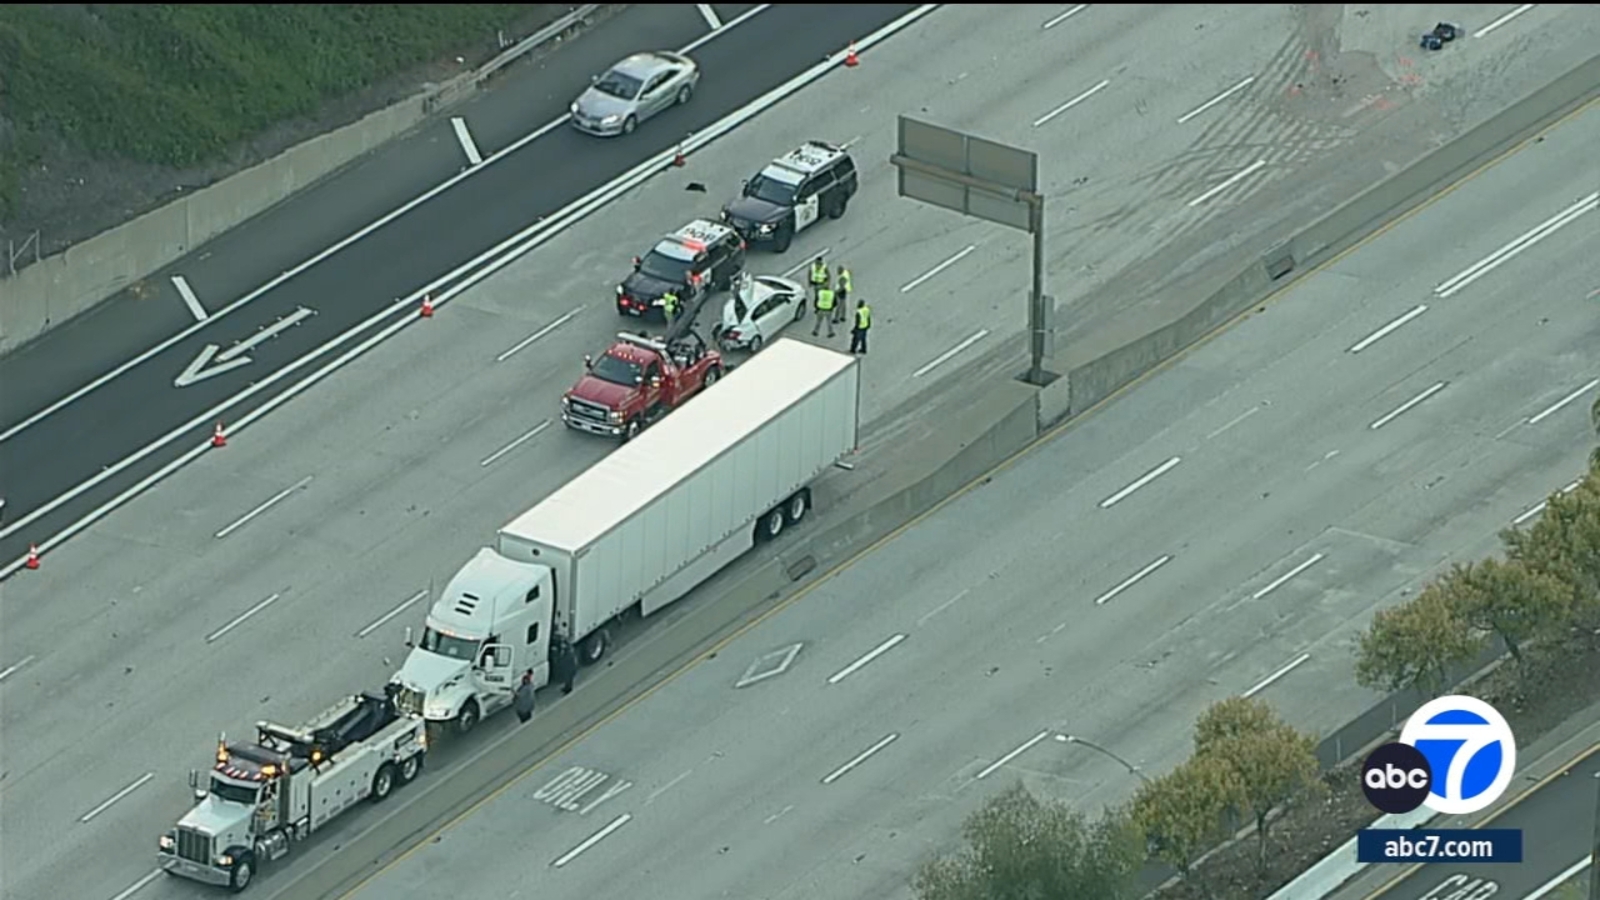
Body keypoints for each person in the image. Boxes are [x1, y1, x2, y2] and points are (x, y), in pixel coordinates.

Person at [550, 630, 579, 695]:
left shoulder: (568, 653)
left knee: (568, 679)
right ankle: (567, 688)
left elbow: (566, 659)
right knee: (568, 679)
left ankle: (568, 689)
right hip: (569, 667)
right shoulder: (568, 649)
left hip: (569, 668)